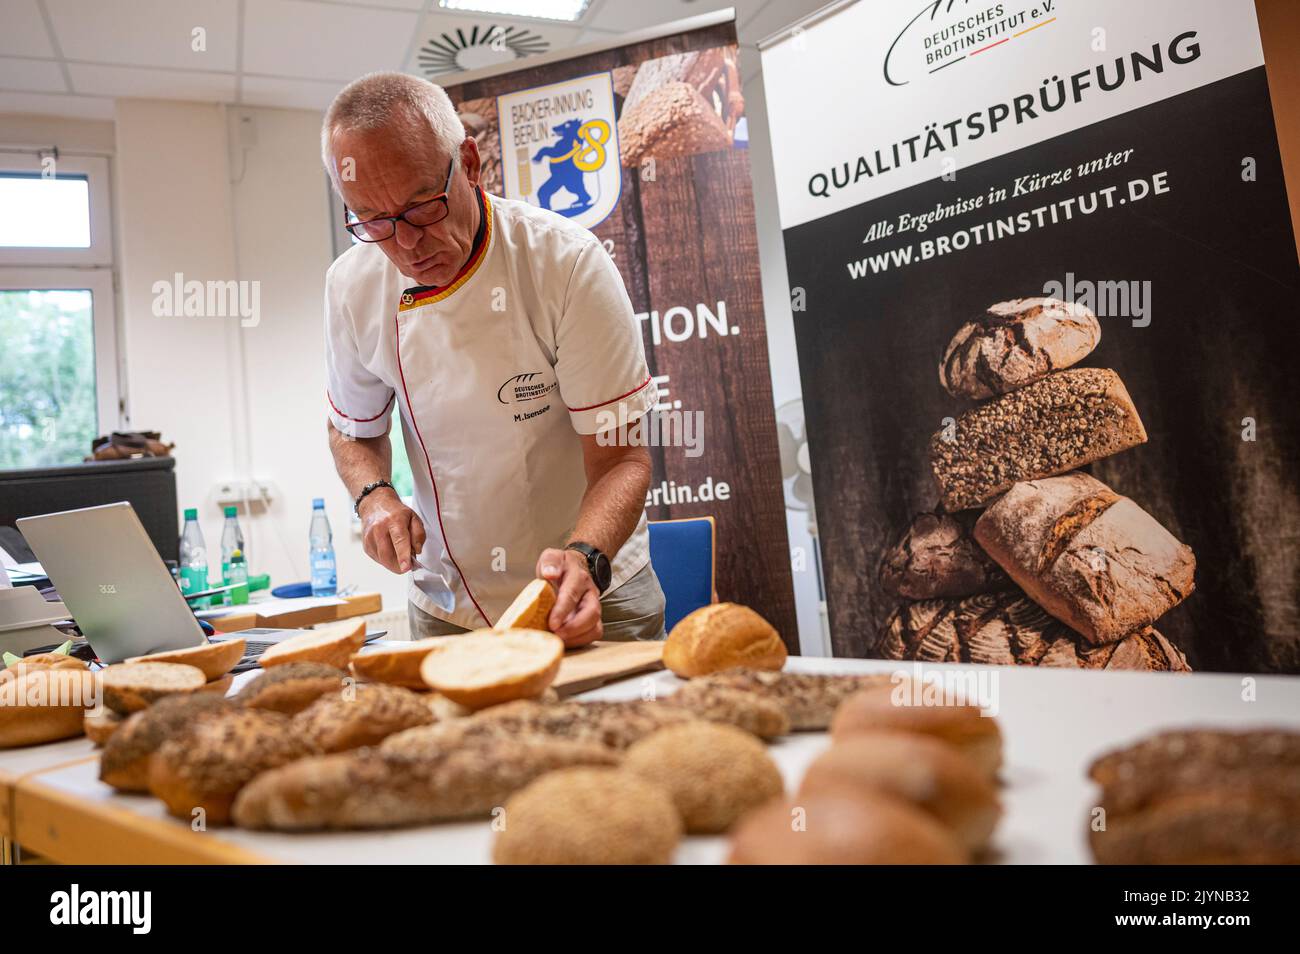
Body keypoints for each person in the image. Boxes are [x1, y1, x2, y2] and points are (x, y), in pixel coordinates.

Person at [321, 72, 665, 646]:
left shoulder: (565, 264)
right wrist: (374, 497)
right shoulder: (351, 287)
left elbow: (622, 461)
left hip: (591, 591)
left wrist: (584, 559)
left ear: (471, 164)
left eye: (422, 208)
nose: (406, 244)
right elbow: (350, 428)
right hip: (447, 607)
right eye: (373, 222)